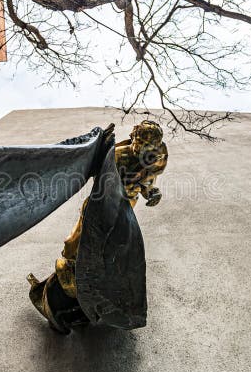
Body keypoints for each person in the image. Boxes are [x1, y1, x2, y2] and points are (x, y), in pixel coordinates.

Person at [27, 120, 168, 333]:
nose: (142, 149)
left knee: (112, 253)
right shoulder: (119, 155)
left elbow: (146, 183)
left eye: (148, 146)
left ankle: (98, 293)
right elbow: (93, 171)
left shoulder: (156, 158)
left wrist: (152, 193)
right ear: (133, 137)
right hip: (99, 205)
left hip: (124, 208)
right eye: (139, 142)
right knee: (76, 245)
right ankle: (67, 279)